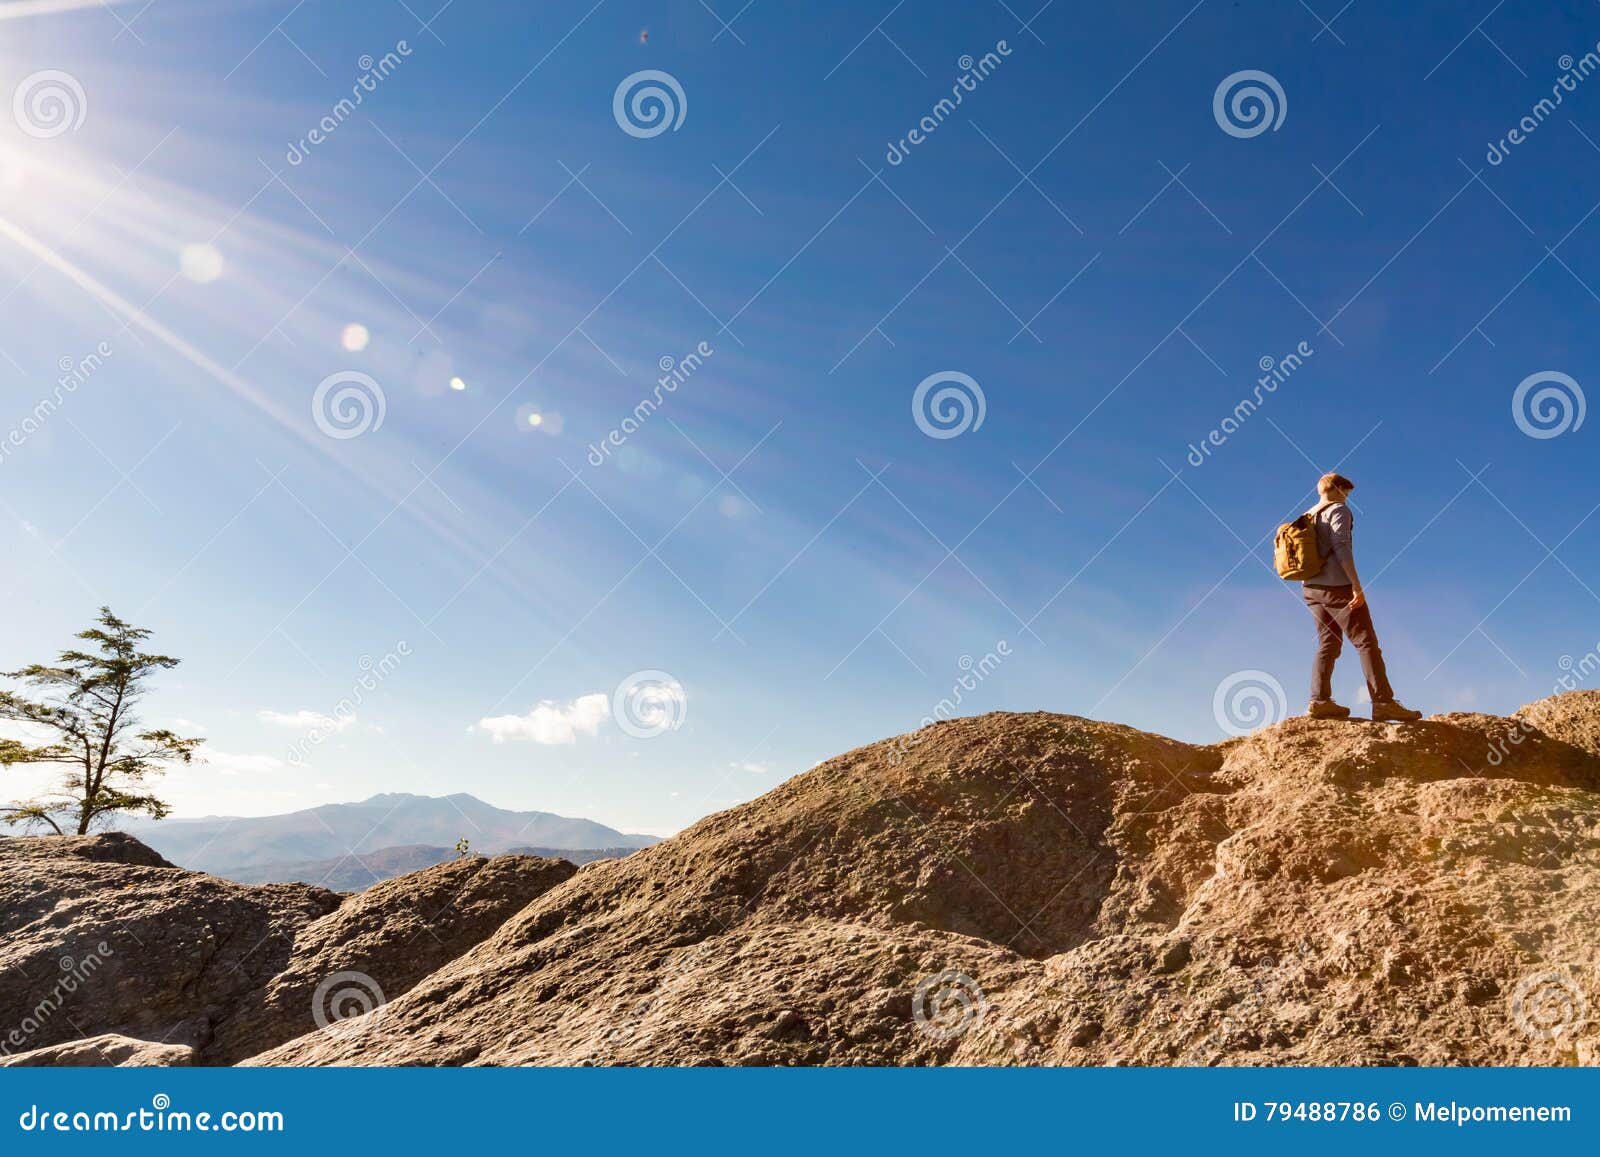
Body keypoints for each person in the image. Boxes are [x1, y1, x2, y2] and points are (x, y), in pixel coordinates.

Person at [1300, 473, 1422, 722]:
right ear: (1339, 488)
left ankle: (1319, 702)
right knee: (1366, 642)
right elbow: (1341, 546)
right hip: (1337, 586)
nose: (1347, 497)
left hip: (1310, 589)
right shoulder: (1338, 510)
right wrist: (1356, 585)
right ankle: (1383, 702)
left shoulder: (1307, 515)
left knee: (1328, 644)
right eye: (1347, 492)